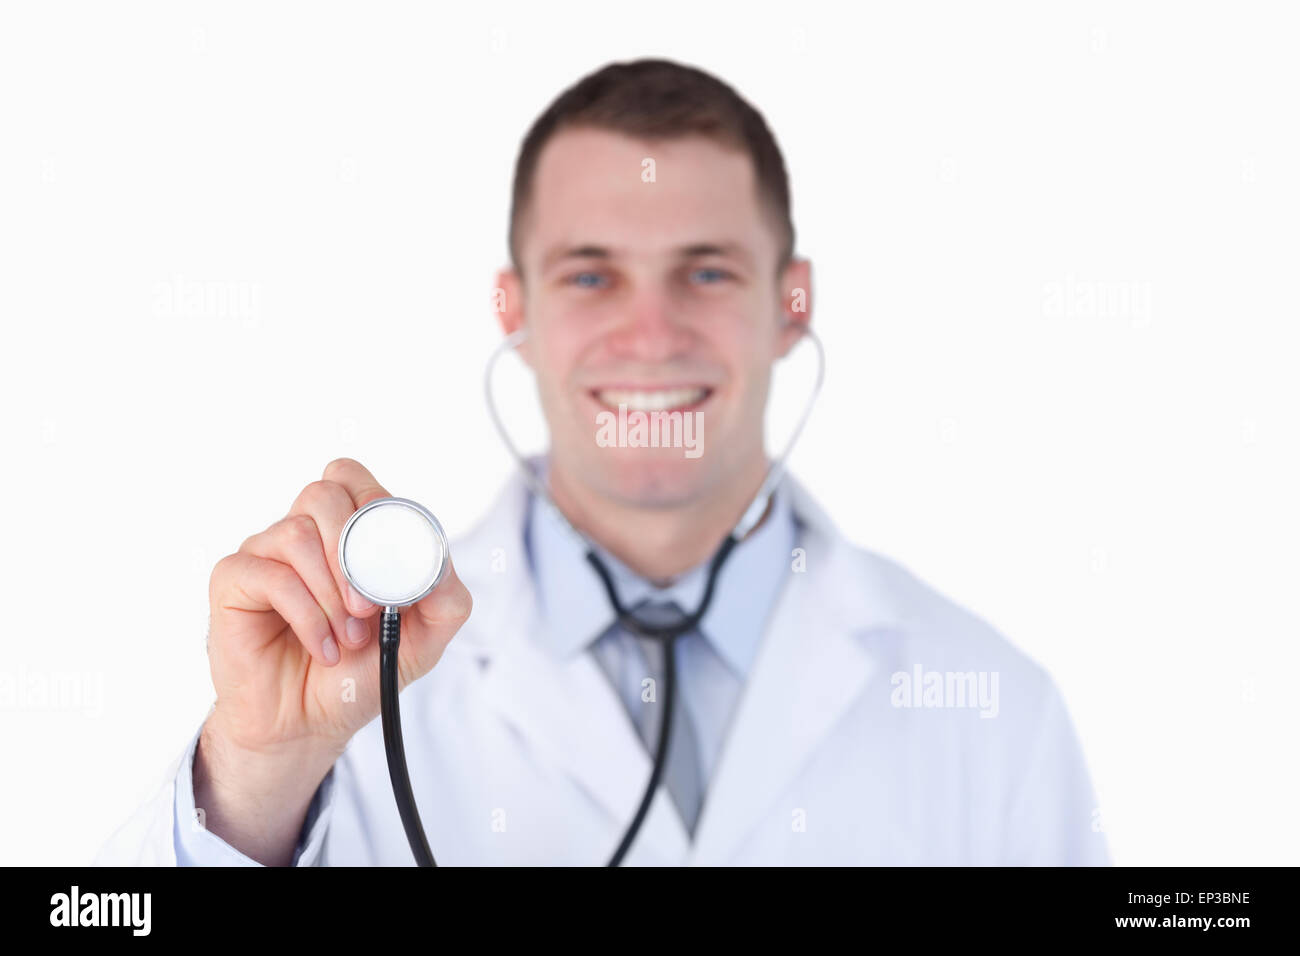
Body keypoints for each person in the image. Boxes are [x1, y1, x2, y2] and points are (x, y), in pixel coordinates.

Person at [96, 58, 1109, 866]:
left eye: (706, 270)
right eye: (592, 275)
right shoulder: (350, 678)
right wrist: (258, 772)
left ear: (791, 304)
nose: (651, 332)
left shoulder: (989, 703)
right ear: (515, 311)